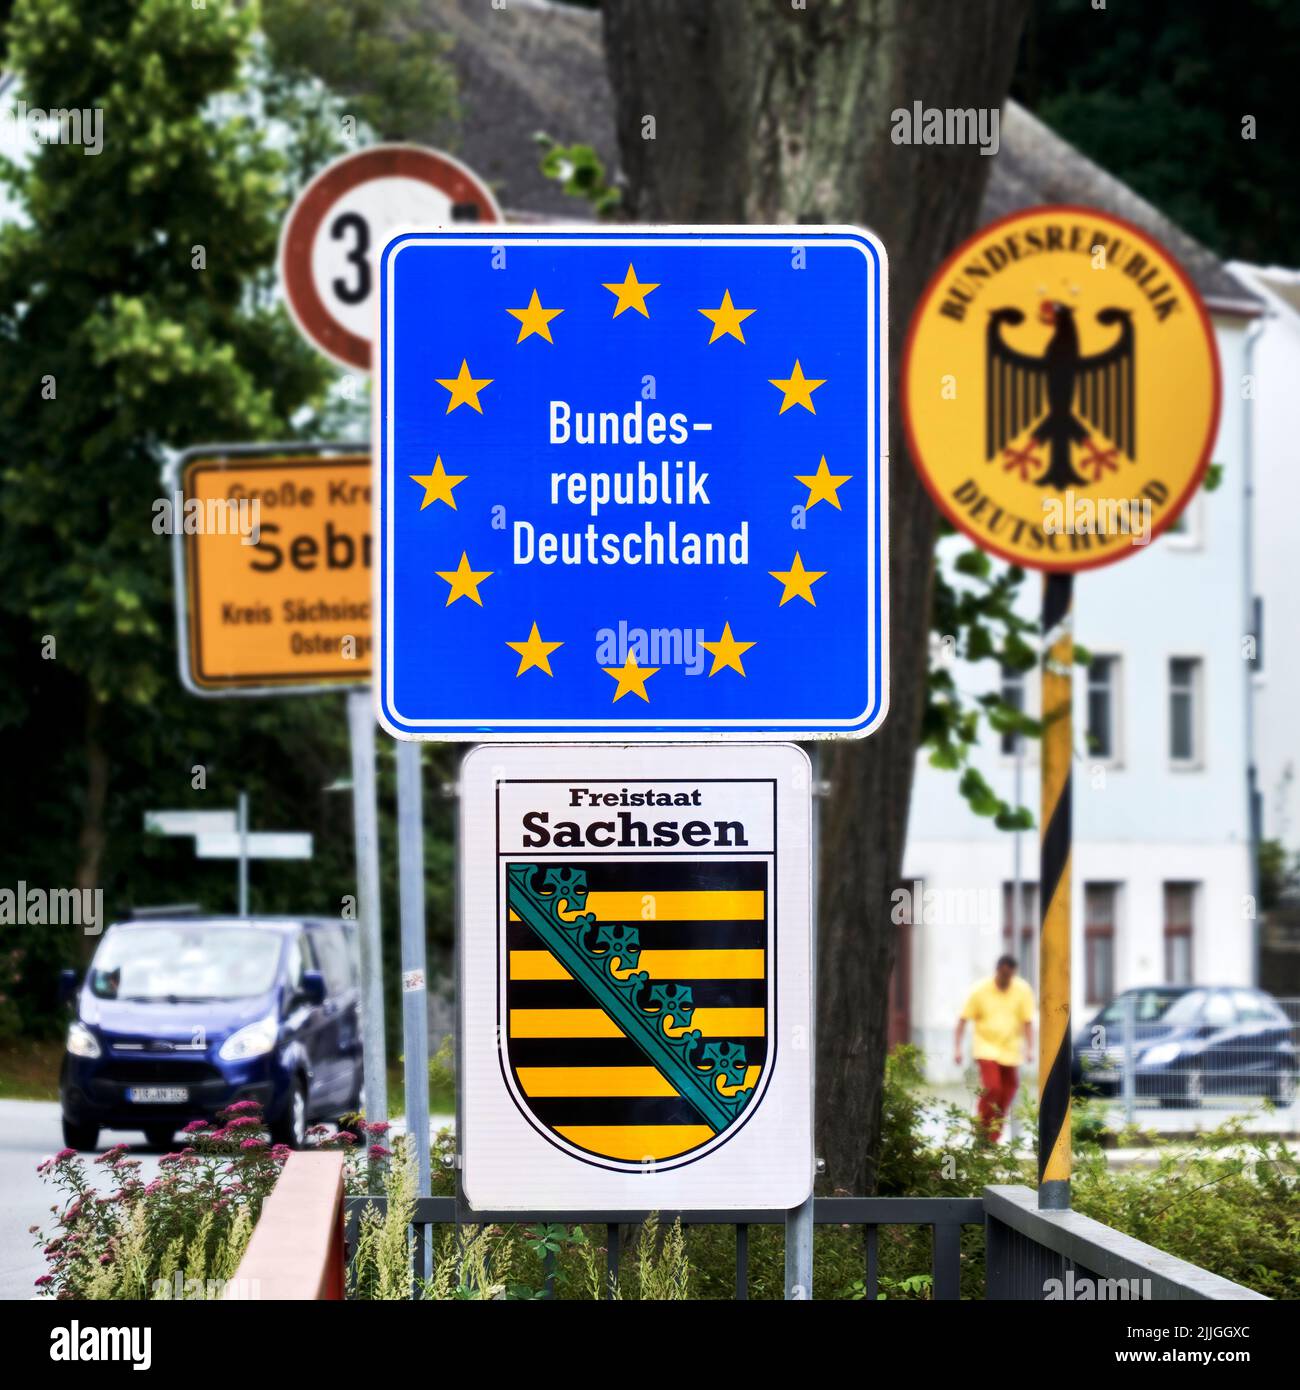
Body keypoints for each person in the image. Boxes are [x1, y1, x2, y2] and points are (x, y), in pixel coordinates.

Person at [954, 955, 1035, 1142]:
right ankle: (981, 1132)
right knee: (992, 1088)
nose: (1007, 980)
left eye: (1010, 976)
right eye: (1004, 975)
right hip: (986, 1048)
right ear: (998, 970)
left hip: (1011, 1050)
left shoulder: (1022, 990)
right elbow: (963, 1020)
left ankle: (992, 1139)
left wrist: (1030, 1048)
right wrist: (957, 1048)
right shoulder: (980, 990)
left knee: (1006, 1094)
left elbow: (1027, 1021)